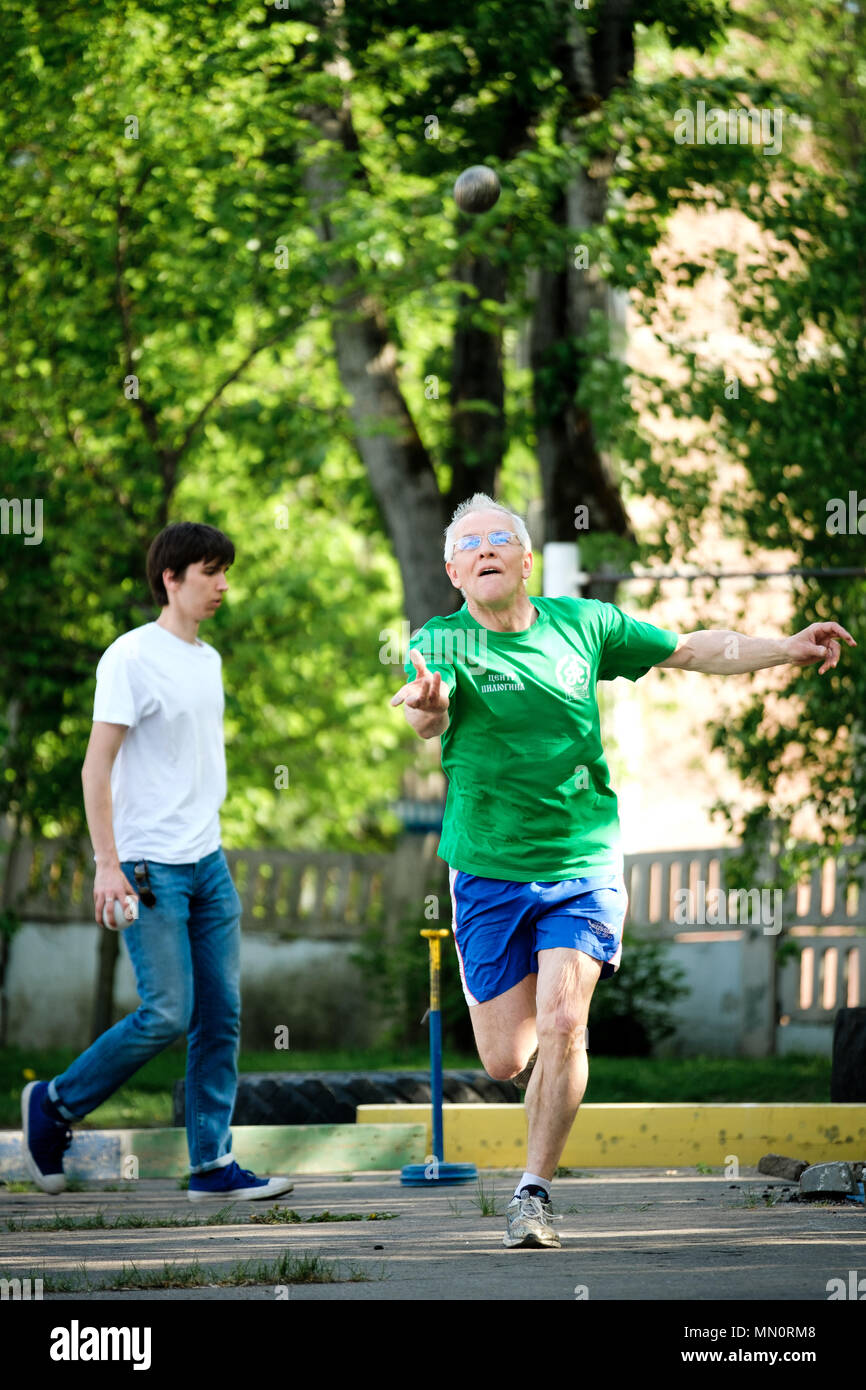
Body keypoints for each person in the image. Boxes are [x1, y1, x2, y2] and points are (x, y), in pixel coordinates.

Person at [390, 492, 855, 1249]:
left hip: (583, 859)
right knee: (506, 1058)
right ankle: (538, 1053)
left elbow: (692, 648)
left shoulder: (584, 624)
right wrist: (429, 704)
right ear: (452, 569)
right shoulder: (442, 641)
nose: (485, 550)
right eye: (469, 544)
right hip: (485, 867)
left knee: (567, 1021)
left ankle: (532, 1194)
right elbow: (426, 715)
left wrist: (785, 645)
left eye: (498, 539)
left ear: (524, 558)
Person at [22, 522, 294, 1203]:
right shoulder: (130, 657)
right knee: (169, 1011)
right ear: (171, 578)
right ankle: (54, 1104)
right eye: (212, 573)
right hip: (147, 866)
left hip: (208, 862)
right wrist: (106, 863)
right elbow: (96, 766)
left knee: (221, 1014)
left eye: (226, 571)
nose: (224, 585)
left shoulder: (208, 660)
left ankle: (212, 1165)